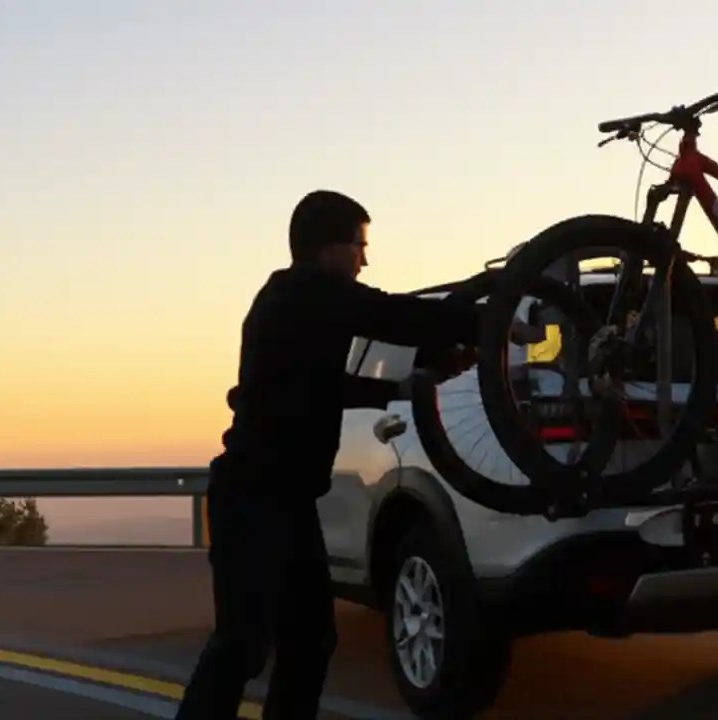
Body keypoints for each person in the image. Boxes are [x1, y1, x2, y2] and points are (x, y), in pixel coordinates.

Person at [175, 189, 507, 719]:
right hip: (255, 499)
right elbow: (391, 315)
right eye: (359, 245)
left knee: (308, 641)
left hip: (286, 500)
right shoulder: (304, 294)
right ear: (328, 247)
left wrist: (402, 387)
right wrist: (493, 320)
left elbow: (321, 386)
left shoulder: (301, 304)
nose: (365, 258)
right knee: (241, 646)